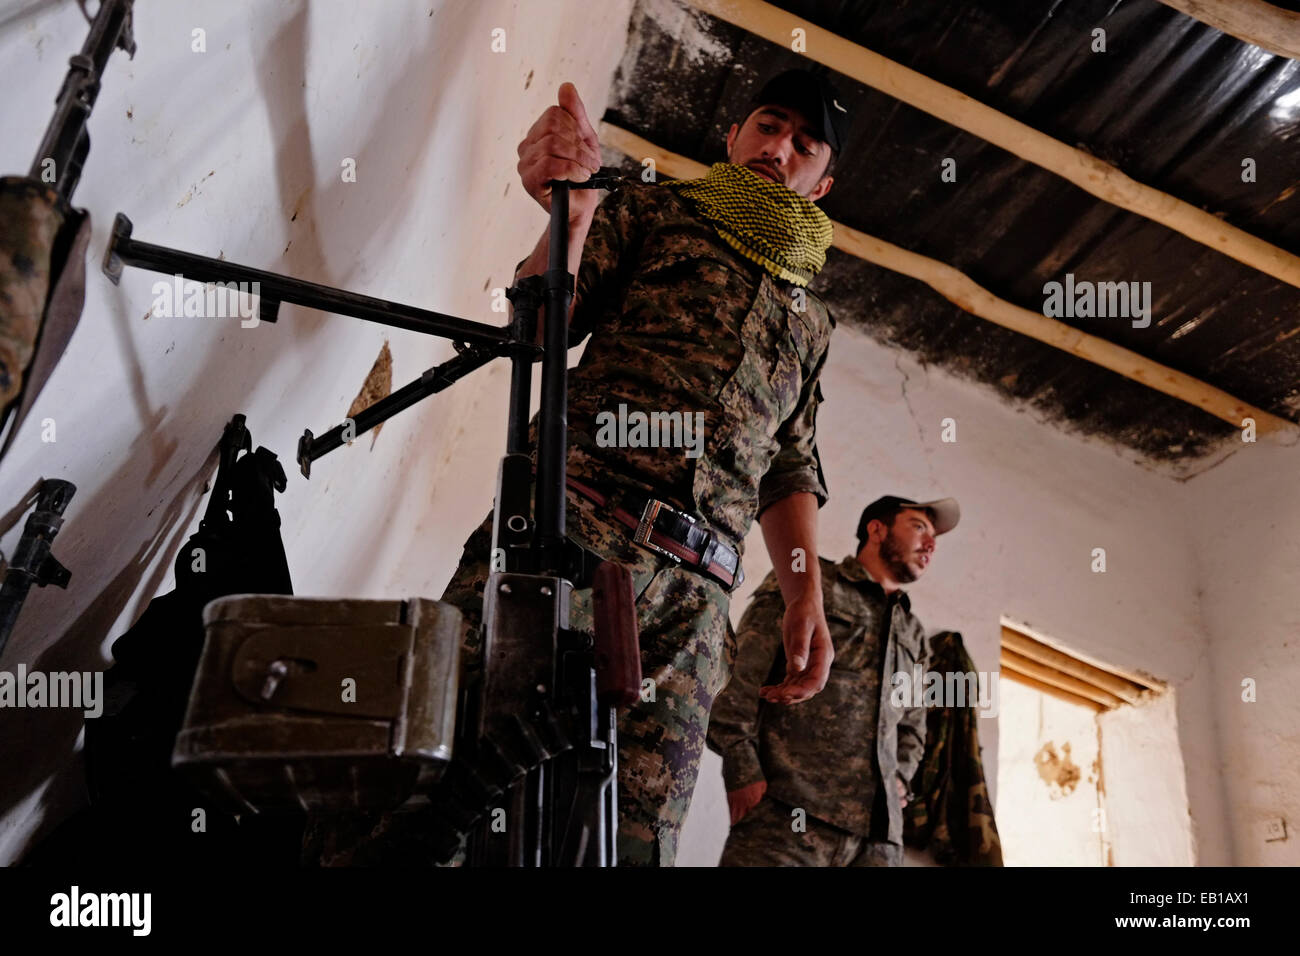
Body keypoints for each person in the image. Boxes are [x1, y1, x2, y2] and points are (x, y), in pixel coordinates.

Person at [305, 67, 851, 867]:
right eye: (768, 125)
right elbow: (537, 327)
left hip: (698, 608)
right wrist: (575, 213)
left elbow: (788, 465)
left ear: (824, 184)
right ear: (735, 134)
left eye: (805, 145)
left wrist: (807, 595)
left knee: (622, 846)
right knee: (440, 765)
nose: (779, 148)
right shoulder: (655, 211)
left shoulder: (814, 318)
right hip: (581, 528)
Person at [706, 494, 960, 867]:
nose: (931, 544)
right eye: (919, 526)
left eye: (935, 536)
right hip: (788, 815)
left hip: (878, 840)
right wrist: (742, 769)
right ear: (877, 529)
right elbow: (739, 675)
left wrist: (900, 784)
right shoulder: (809, 585)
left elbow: (913, 726)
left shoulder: (914, 632)